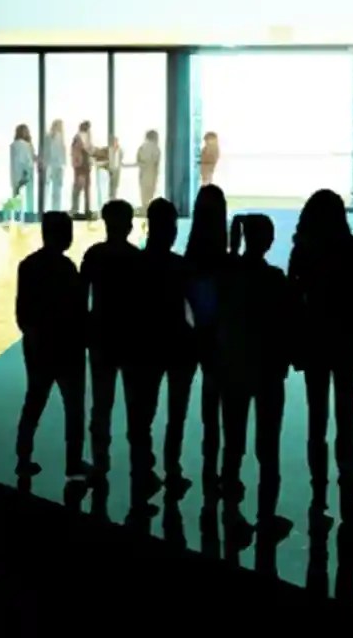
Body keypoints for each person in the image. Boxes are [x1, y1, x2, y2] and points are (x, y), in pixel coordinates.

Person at [217, 213, 294, 535]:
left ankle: (231, 511)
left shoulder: (229, 274)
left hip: (234, 366)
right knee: (268, 446)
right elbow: (288, 325)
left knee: (233, 443)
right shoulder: (275, 279)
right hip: (268, 370)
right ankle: (266, 515)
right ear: (268, 241)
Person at [288, 189, 353, 514]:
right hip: (344, 338)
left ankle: (317, 481)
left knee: (316, 414)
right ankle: (347, 471)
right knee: (346, 410)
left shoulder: (303, 250)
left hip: (315, 337)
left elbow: (294, 294)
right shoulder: (352, 248)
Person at [128, 198, 196, 496]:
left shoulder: (135, 266)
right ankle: (172, 467)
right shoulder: (180, 266)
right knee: (176, 413)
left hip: (144, 346)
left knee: (143, 413)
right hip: (178, 346)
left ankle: (143, 468)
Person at [15, 212, 89, 480]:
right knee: (74, 409)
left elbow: (22, 313)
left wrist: (33, 338)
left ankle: (23, 457)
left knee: (33, 402)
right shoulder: (68, 269)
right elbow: (79, 312)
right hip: (68, 349)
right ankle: (73, 463)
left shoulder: (28, 266)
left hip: (38, 347)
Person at [81, 199, 141, 478]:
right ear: (129, 225)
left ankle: (99, 462)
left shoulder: (93, 255)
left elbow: (81, 300)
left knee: (101, 405)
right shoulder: (135, 258)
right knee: (136, 407)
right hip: (130, 339)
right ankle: (140, 466)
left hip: (101, 338)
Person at [184, 184, 232, 491]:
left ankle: (193, 465)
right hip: (219, 336)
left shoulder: (190, 258)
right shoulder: (225, 262)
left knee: (195, 403)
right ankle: (222, 469)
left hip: (194, 335)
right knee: (221, 402)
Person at [8, 125, 34, 225]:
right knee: (27, 196)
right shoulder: (26, 145)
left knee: (16, 195)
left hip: (15, 173)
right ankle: (26, 219)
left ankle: (15, 218)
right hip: (26, 171)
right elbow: (27, 160)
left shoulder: (13, 145)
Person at [71, 120, 94, 218]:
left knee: (85, 188)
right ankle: (76, 210)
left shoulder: (82, 137)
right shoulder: (80, 137)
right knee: (80, 187)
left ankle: (85, 210)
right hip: (81, 165)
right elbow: (84, 149)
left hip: (84, 165)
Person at [41, 120, 66, 213]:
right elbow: (46, 151)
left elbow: (62, 153)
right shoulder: (48, 137)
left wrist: (63, 165)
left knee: (56, 190)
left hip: (57, 166)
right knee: (48, 189)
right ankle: (45, 210)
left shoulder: (59, 137)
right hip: (50, 165)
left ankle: (55, 211)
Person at [137, 130, 161, 212]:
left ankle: (145, 213)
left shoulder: (142, 147)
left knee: (144, 197)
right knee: (150, 196)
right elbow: (156, 163)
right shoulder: (156, 148)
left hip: (143, 174)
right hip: (152, 174)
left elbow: (138, 161)